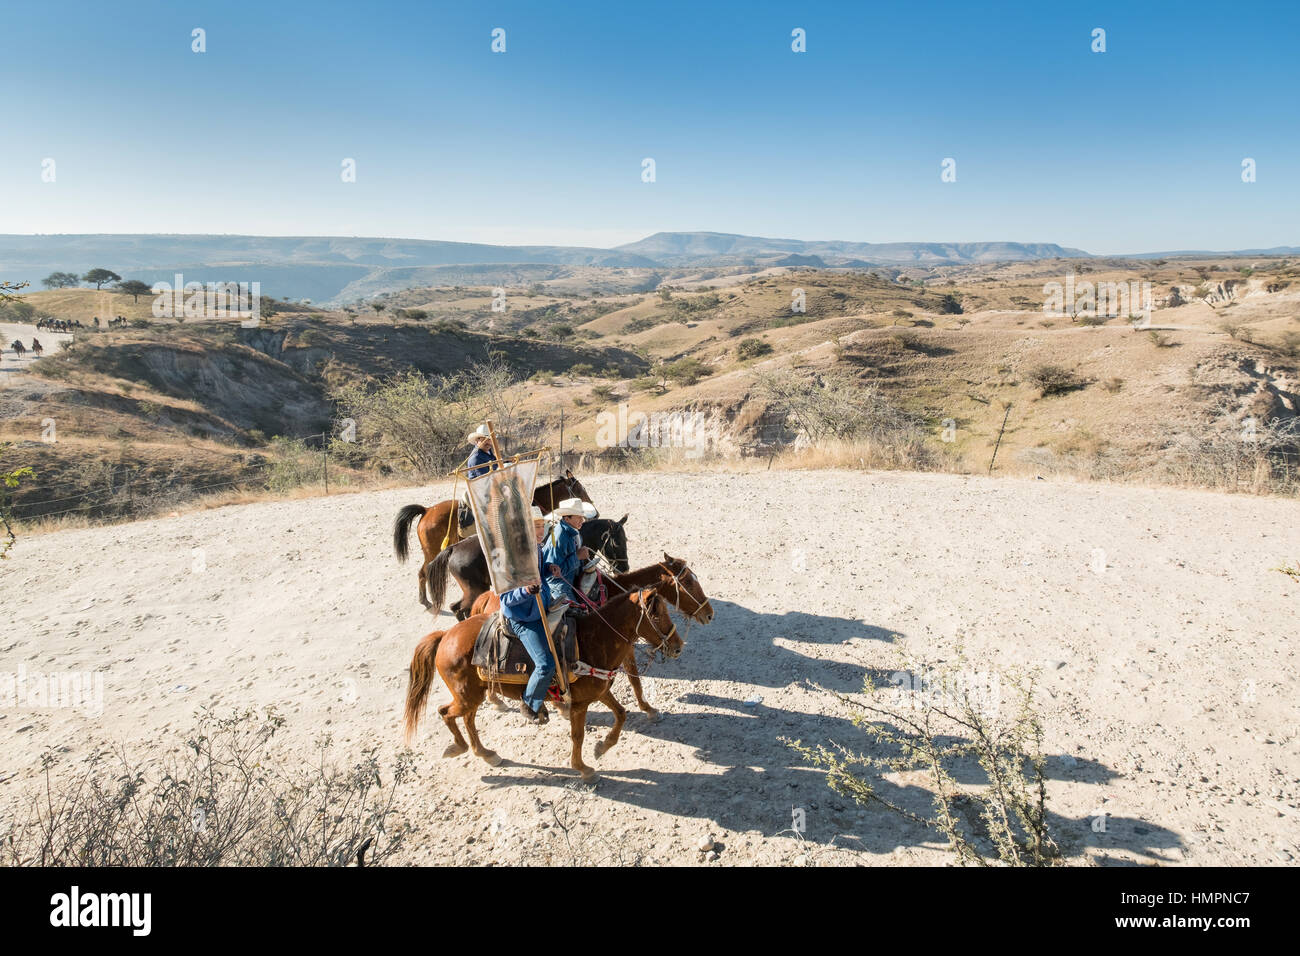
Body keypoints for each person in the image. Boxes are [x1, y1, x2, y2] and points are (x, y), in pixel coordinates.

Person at [499, 510, 559, 724]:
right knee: (545, 665)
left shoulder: (537, 549)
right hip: (523, 619)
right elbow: (505, 600)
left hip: (543, 606)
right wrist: (525, 592)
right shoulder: (511, 560)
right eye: (535, 527)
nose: (541, 531)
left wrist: (548, 570)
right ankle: (529, 703)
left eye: (542, 526)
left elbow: (538, 573)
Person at [541, 498, 591, 605]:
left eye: (582, 517)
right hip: (559, 586)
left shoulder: (573, 532)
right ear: (567, 519)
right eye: (579, 517)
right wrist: (577, 557)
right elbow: (552, 574)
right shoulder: (560, 538)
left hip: (572, 579)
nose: (582, 521)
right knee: (577, 612)